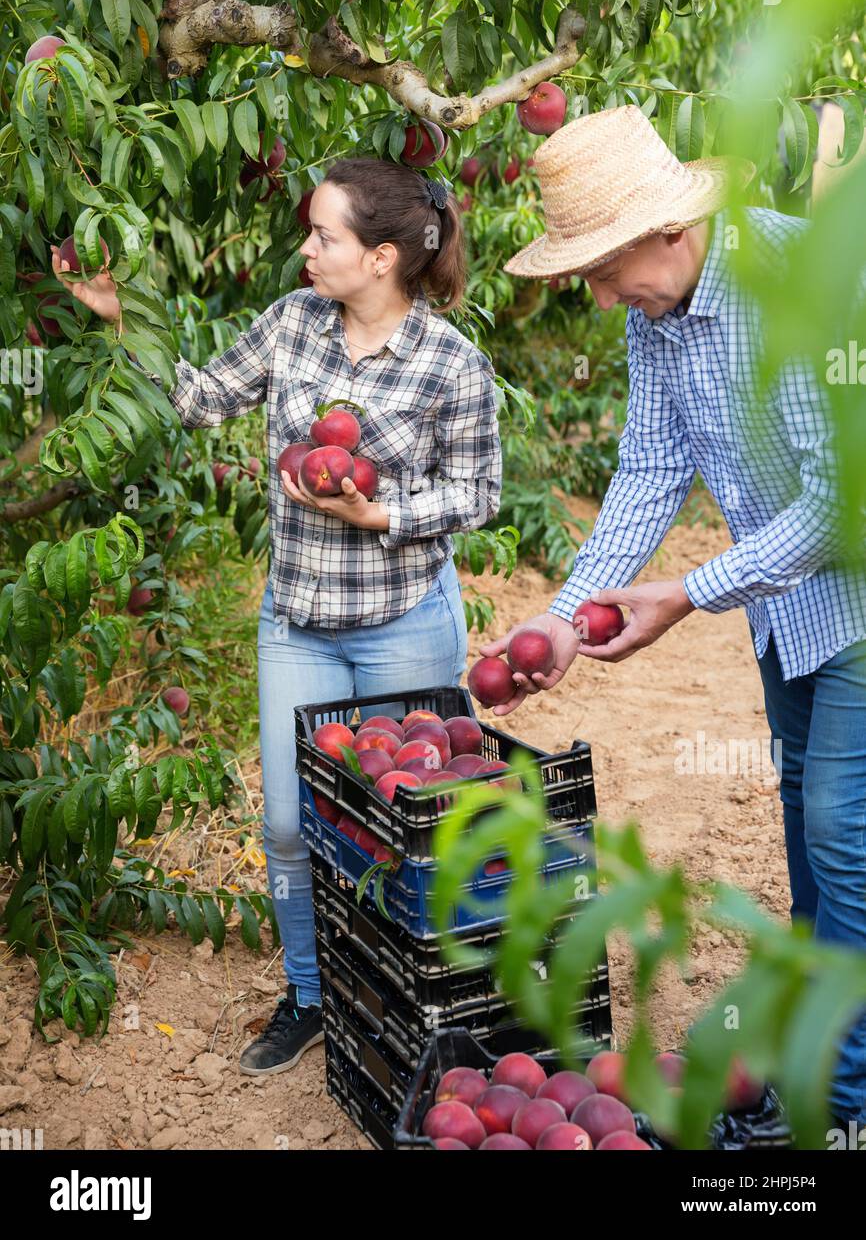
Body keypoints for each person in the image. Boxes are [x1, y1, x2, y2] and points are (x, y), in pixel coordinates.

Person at [51, 156, 502, 1076]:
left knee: (407, 824)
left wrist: (384, 514)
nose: (306, 249)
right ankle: (310, 994)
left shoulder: (452, 363)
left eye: (324, 235)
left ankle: (414, 989)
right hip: (297, 619)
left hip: (404, 618)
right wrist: (122, 318)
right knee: (295, 826)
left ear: (380, 258)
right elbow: (201, 398)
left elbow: (481, 492)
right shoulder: (293, 325)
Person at [482, 103, 866, 1132]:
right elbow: (650, 468)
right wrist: (565, 615)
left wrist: (683, 593)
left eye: (604, 269)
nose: (599, 295)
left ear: (669, 230)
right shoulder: (653, 319)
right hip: (793, 611)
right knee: (802, 825)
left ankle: (842, 1104)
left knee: (841, 831)